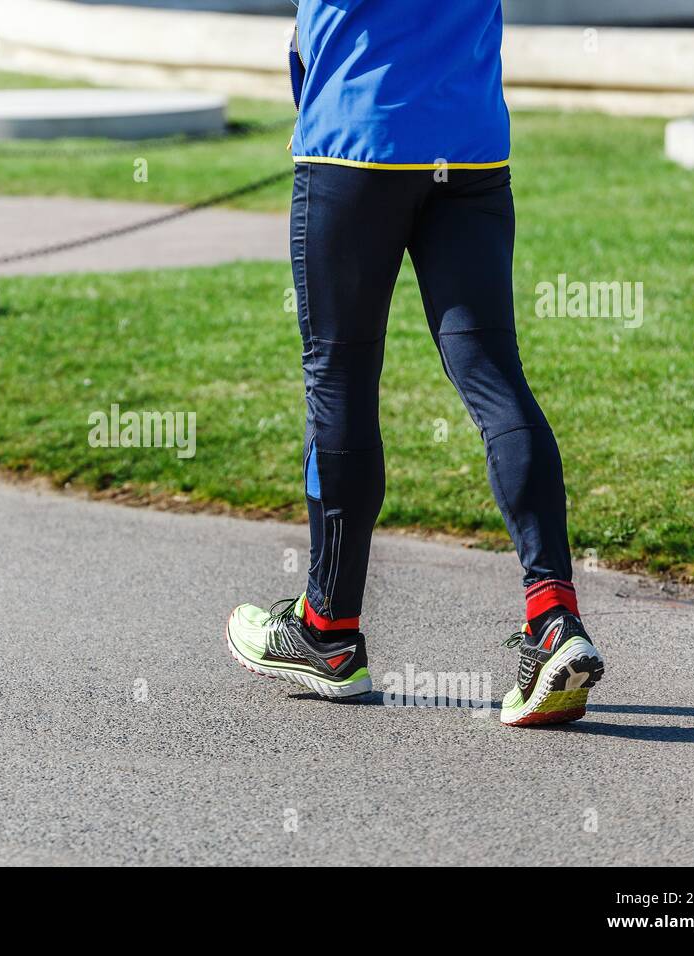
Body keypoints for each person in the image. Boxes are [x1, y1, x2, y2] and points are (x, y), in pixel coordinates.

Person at [224, 0, 605, 726]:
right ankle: (554, 620)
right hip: (469, 150)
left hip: (354, 142)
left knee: (338, 380)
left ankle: (328, 633)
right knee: (495, 378)